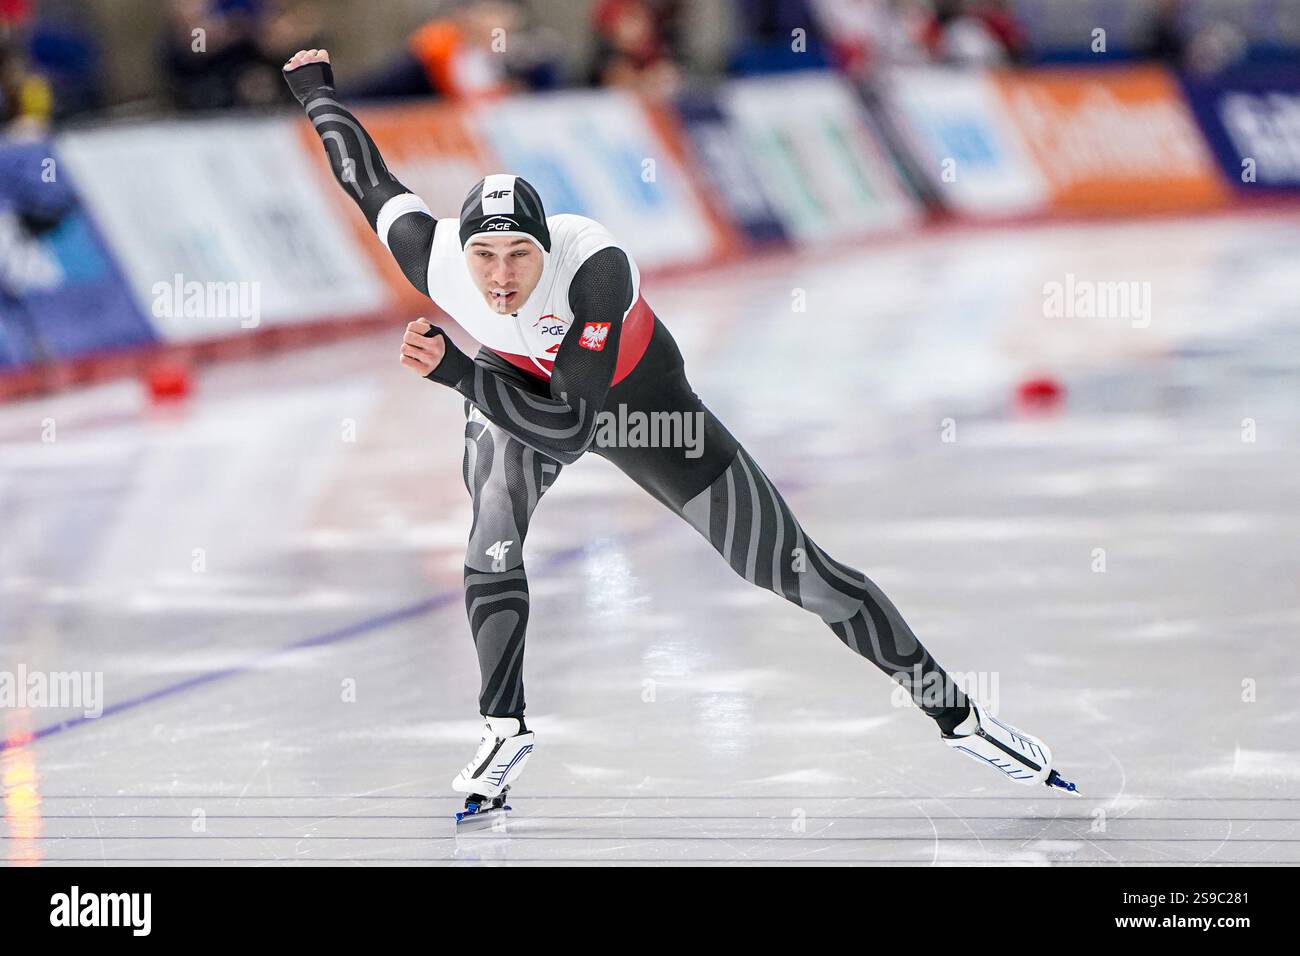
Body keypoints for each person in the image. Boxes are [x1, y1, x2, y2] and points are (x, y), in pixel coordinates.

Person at [281, 48, 1077, 820]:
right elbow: (368, 180)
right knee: (491, 528)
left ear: (545, 246)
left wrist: (458, 373)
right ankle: (502, 728)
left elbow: (570, 429)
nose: (497, 275)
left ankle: (960, 717)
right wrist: (318, 94)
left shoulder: (596, 266)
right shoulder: (437, 259)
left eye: (518, 254)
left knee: (796, 571)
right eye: (484, 255)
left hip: (636, 402)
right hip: (517, 382)